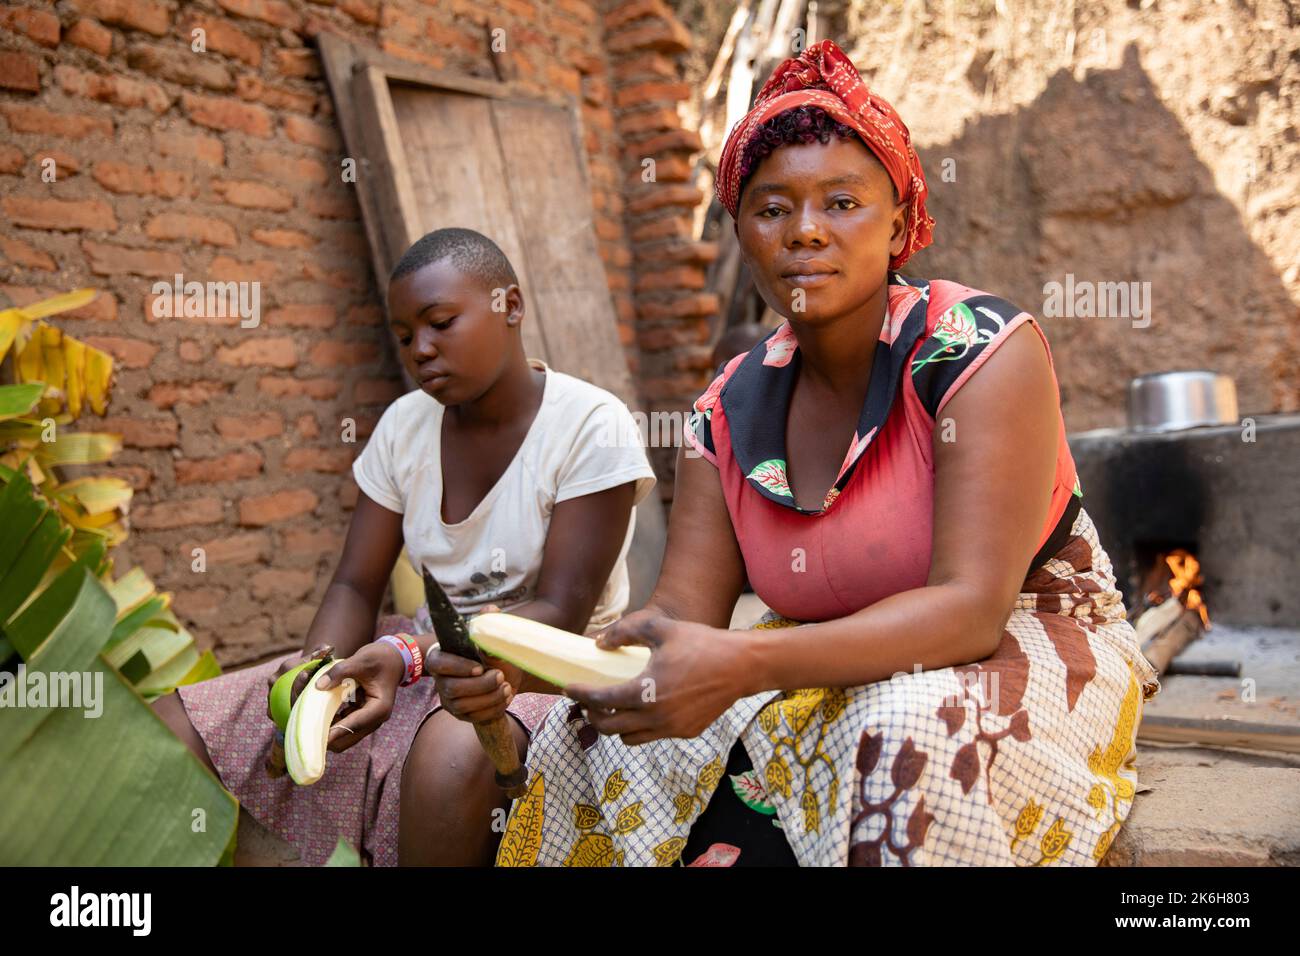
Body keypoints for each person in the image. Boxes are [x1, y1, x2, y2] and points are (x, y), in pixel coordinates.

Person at [494, 40, 1161, 867]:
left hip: (1019, 634)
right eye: (772, 209)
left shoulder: (978, 350)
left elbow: (970, 609)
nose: (805, 232)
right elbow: (682, 619)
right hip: (811, 653)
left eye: (841, 202)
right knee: (584, 738)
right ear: (742, 231)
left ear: (898, 221)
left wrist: (744, 662)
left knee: (906, 737)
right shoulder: (725, 413)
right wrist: (537, 670)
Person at [153, 228, 657, 866]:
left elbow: (558, 613)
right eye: (403, 336)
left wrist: (407, 657)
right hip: (417, 658)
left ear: (510, 305)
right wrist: (319, 676)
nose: (420, 349)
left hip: (545, 676)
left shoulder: (591, 425)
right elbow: (354, 585)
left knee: (450, 761)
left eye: (440, 322)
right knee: (179, 724)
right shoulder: (403, 427)